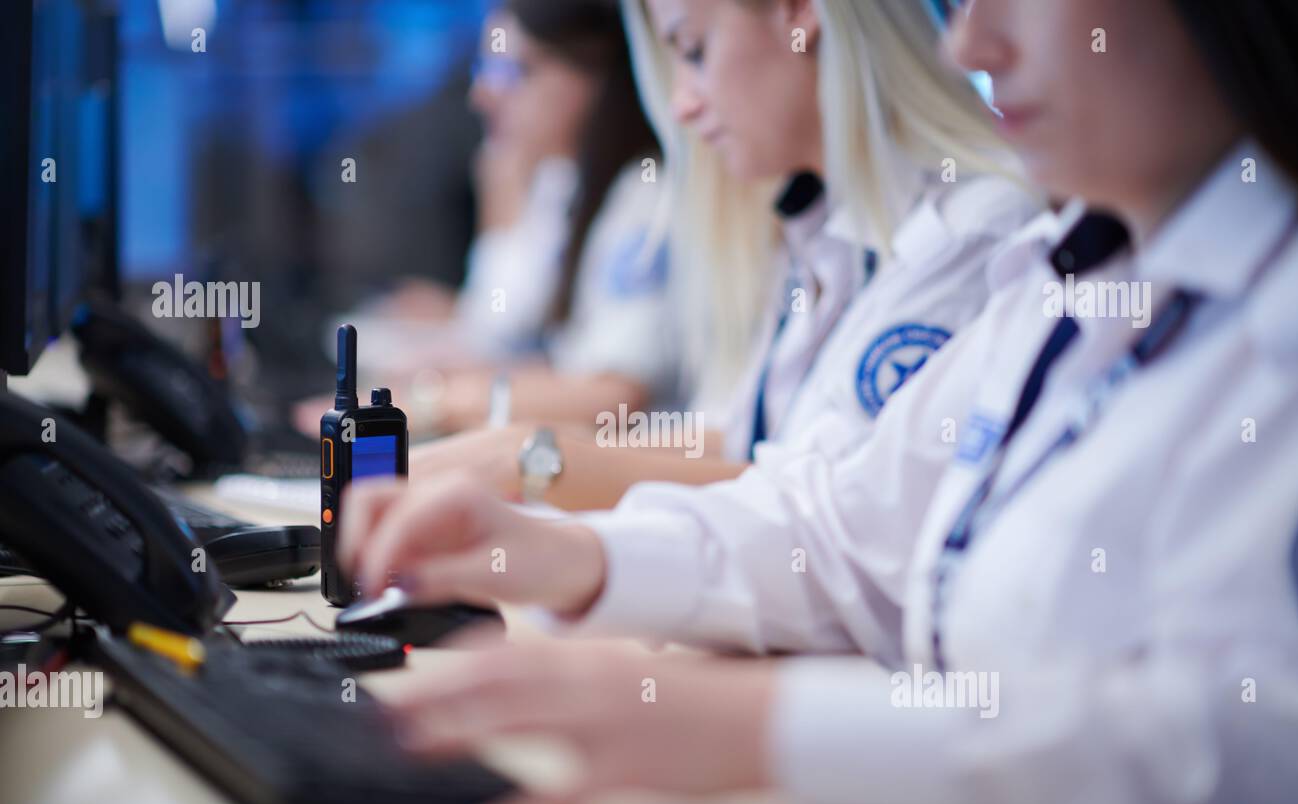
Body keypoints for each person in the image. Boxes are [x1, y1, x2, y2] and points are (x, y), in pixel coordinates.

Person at [337, 0, 1298, 804]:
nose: (971, 41)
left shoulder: (994, 235)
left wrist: (764, 732)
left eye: (696, 51)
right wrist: (573, 555)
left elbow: (1241, 751)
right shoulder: (1062, 275)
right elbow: (842, 519)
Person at [404, 0, 1040, 510]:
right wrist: (521, 452)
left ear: (799, 13)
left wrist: (535, 458)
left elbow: (827, 512)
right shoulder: (818, 224)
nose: (681, 104)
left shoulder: (971, 230)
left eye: (695, 51)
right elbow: (735, 439)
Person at [295, 0, 675, 437]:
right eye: (485, 69)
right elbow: (521, 342)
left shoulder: (644, 198)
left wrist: (433, 400)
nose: (484, 94)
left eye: (515, 72)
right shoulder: (561, 182)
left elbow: (612, 396)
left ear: (596, 77)